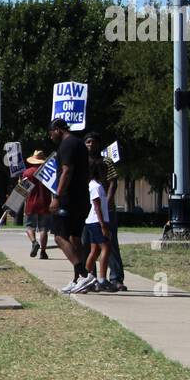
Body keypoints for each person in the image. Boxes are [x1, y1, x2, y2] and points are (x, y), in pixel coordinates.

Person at [48, 118, 90, 293]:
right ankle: (78, 280)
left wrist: (57, 196)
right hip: (81, 197)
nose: (50, 137)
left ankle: (84, 274)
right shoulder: (79, 144)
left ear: (58, 130)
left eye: (51, 133)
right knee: (74, 238)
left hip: (68, 198)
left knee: (59, 236)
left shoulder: (67, 145)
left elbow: (67, 171)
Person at [84, 132, 125, 292]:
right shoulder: (81, 162)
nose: (90, 145)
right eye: (87, 142)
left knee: (110, 244)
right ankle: (90, 278)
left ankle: (116, 279)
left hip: (106, 209)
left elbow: (113, 182)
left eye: (93, 142)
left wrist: (106, 202)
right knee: (89, 246)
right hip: (88, 210)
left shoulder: (106, 161)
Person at [76, 158, 112, 293]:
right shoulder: (96, 186)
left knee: (95, 251)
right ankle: (102, 279)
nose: (106, 174)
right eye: (104, 171)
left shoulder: (94, 185)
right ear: (99, 172)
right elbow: (97, 207)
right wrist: (103, 225)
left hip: (93, 221)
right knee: (106, 248)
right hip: (97, 221)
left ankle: (86, 277)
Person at [21, 150, 52, 259]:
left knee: (30, 226)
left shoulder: (27, 173)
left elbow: (23, 190)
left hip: (31, 203)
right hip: (45, 203)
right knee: (43, 229)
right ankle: (43, 252)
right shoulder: (49, 173)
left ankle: (34, 242)